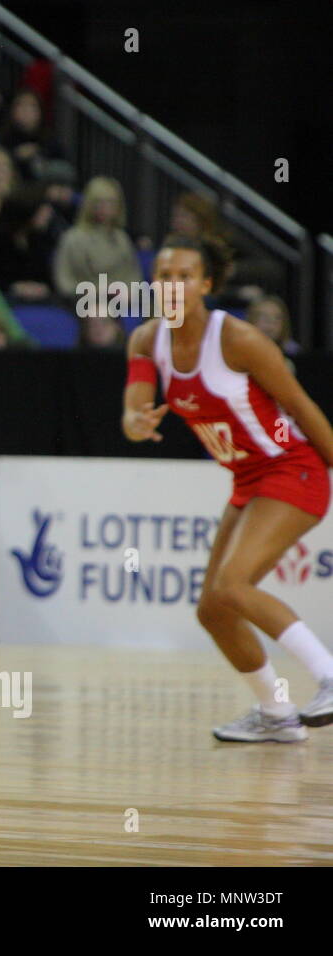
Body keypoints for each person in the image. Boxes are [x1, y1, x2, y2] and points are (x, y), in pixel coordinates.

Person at [123, 235, 333, 742]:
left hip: (293, 468)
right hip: (248, 481)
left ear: (207, 285)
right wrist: (135, 421)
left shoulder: (239, 340)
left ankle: (328, 674)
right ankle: (277, 714)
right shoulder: (146, 341)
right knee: (213, 609)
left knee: (233, 586)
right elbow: (135, 407)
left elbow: (301, 408)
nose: (173, 286)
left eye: (185, 277)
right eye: (165, 276)